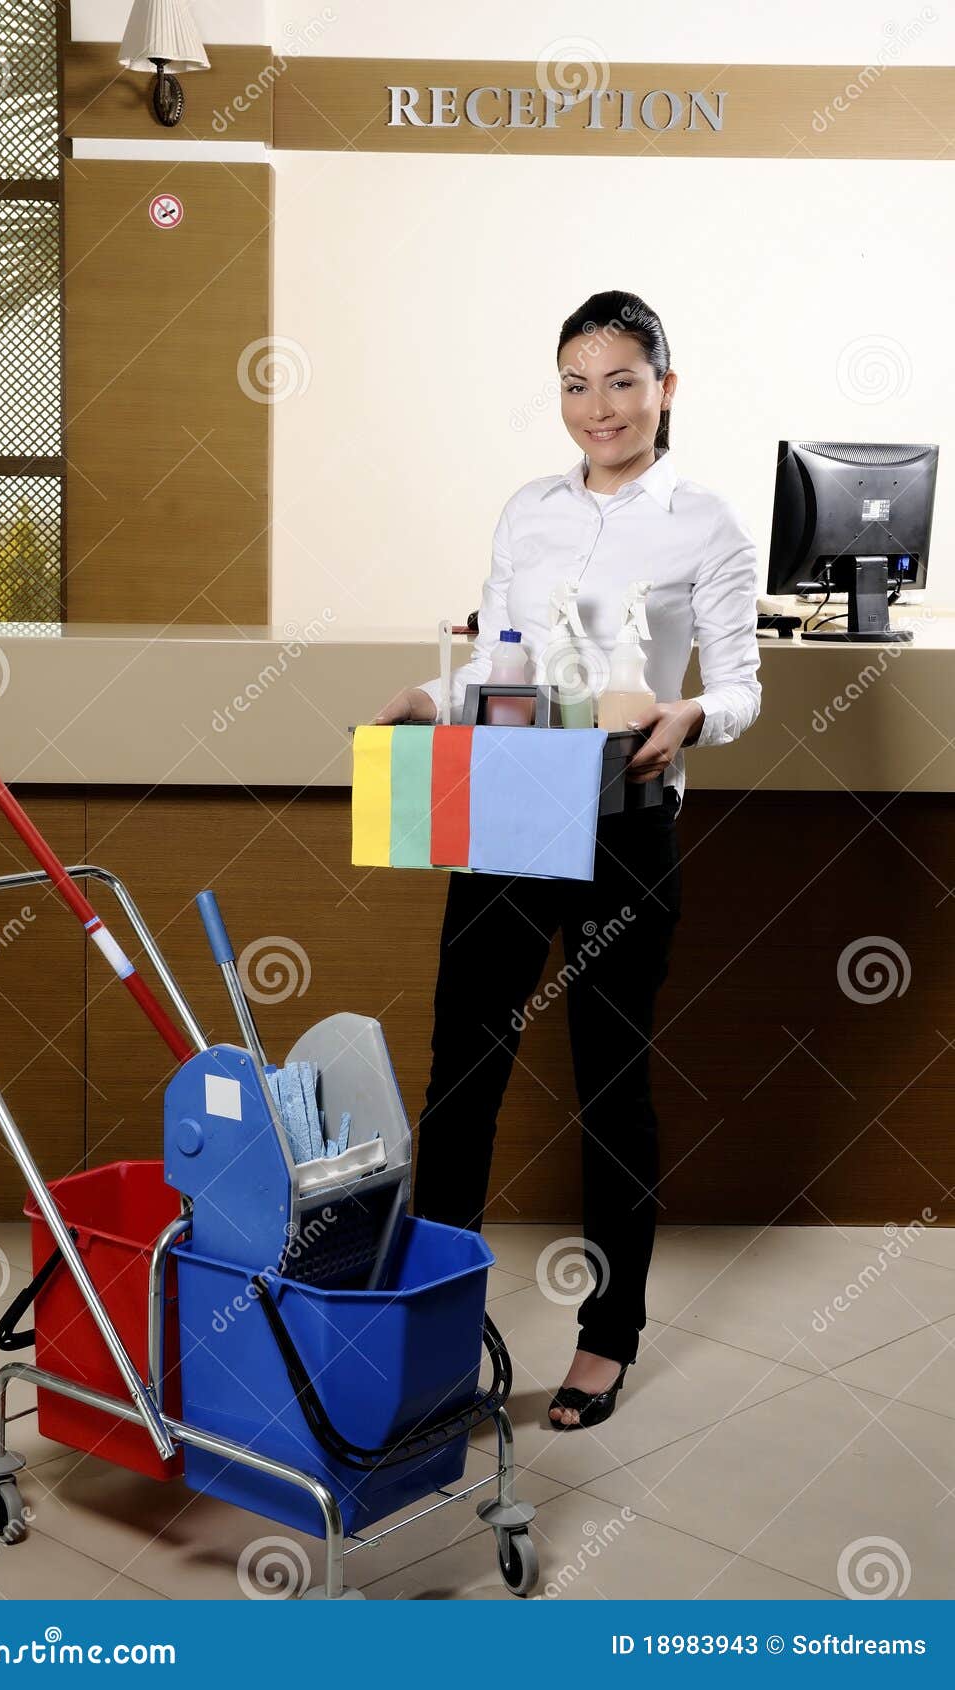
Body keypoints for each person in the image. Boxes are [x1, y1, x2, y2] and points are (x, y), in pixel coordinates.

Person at [374, 290, 761, 1431]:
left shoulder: (706, 523)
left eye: (621, 381)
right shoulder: (526, 511)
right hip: (506, 804)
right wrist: (429, 697)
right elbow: (502, 659)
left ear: (665, 388)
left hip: (625, 820)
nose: (597, 407)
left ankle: (607, 1336)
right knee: (463, 1073)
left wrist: (689, 719)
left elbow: (740, 683)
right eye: (575, 384)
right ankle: (428, 1320)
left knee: (609, 1080)